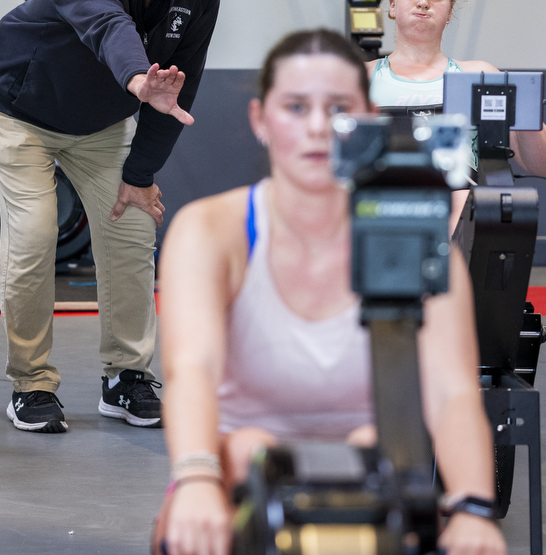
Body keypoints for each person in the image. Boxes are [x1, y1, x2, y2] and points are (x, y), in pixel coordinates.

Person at [154, 29, 505, 555]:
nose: (317, 127)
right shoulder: (211, 230)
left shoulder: (414, 238)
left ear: (365, 116)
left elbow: (452, 391)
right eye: (295, 107)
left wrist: (474, 506)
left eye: (336, 106)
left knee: (386, 476)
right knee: (243, 458)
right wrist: (198, 480)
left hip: (373, 470)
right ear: (261, 120)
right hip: (235, 464)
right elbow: (192, 371)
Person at [0, 0, 221, 434]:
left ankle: (126, 377)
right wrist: (137, 78)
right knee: (35, 232)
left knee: (131, 227)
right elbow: (109, 27)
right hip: (15, 108)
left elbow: (181, 86)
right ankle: (31, 383)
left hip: (100, 123)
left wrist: (141, 174)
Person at [370, 0, 546, 221]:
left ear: (449, 12)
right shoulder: (361, 77)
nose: (423, 3)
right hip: (378, 206)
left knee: (461, 200)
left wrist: (525, 112)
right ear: (392, 6)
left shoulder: (479, 76)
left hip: (456, 209)